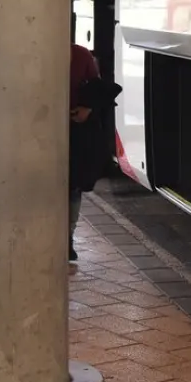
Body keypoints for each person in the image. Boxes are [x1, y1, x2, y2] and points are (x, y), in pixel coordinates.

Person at [66, 41, 113, 263]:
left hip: (71, 130)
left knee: (71, 187)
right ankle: (66, 240)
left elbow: (96, 88)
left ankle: (66, 240)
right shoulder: (80, 53)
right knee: (71, 188)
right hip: (73, 131)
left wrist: (86, 108)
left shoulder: (80, 54)